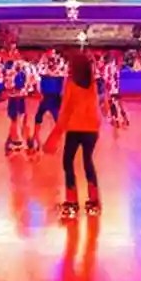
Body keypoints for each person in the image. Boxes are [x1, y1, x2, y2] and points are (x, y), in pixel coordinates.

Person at [44, 53, 102, 218]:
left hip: (76, 127)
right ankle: (93, 202)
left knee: (68, 163)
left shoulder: (70, 83)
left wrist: (55, 135)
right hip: (92, 128)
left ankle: (71, 202)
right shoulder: (92, 83)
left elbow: (66, 110)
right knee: (87, 162)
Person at [29, 50, 66, 151]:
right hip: (47, 96)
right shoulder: (45, 67)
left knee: (56, 120)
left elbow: (63, 81)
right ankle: (36, 137)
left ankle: (54, 141)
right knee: (40, 117)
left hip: (54, 97)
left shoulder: (60, 68)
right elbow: (38, 77)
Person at [4, 57, 29, 154]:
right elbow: (8, 84)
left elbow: (25, 84)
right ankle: (15, 140)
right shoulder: (11, 70)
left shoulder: (23, 72)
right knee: (14, 118)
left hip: (19, 96)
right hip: (14, 97)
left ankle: (15, 139)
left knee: (19, 117)